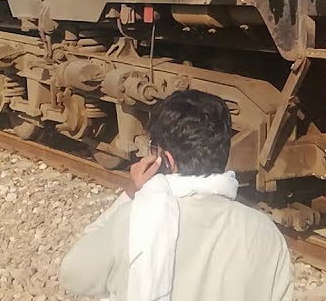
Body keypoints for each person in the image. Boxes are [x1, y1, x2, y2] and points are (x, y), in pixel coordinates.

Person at [59, 89, 294, 301]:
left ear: (167, 160)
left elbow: (75, 274)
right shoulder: (265, 232)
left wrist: (130, 194)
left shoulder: (135, 218)